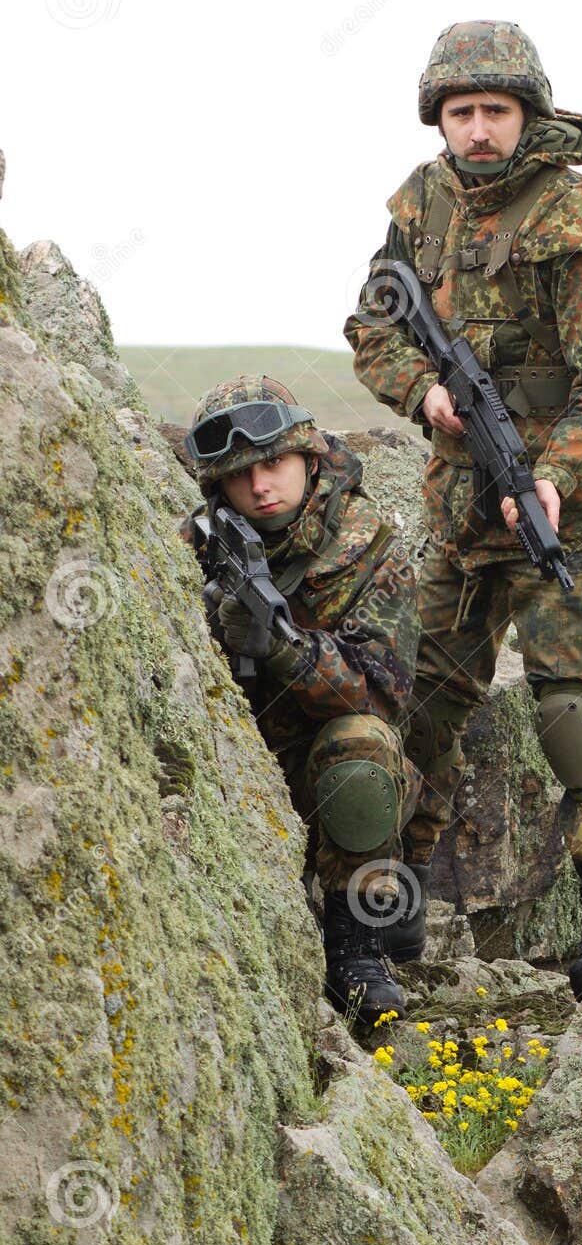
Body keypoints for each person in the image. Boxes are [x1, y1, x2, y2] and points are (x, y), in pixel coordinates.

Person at [344, 19, 582, 999]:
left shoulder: (580, 218)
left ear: (529, 113)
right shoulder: (421, 205)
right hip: (457, 492)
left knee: (568, 707)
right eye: (460, 112)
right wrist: (423, 395)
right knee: (421, 700)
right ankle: (375, 910)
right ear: (440, 118)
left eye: (496, 111)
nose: (477, 129)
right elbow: (374, 328)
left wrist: (551, 478)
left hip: (573, 501)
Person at [181, 375, 420, 1026]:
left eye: (272, 464)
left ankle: (358, 951)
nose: (259, 486)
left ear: (308, 459)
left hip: (330, 768)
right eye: (239, 476)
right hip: (237, 764)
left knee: (360, 745)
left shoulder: (367, 545)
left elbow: (382, 691)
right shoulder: (199, 546)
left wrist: (281, 646)